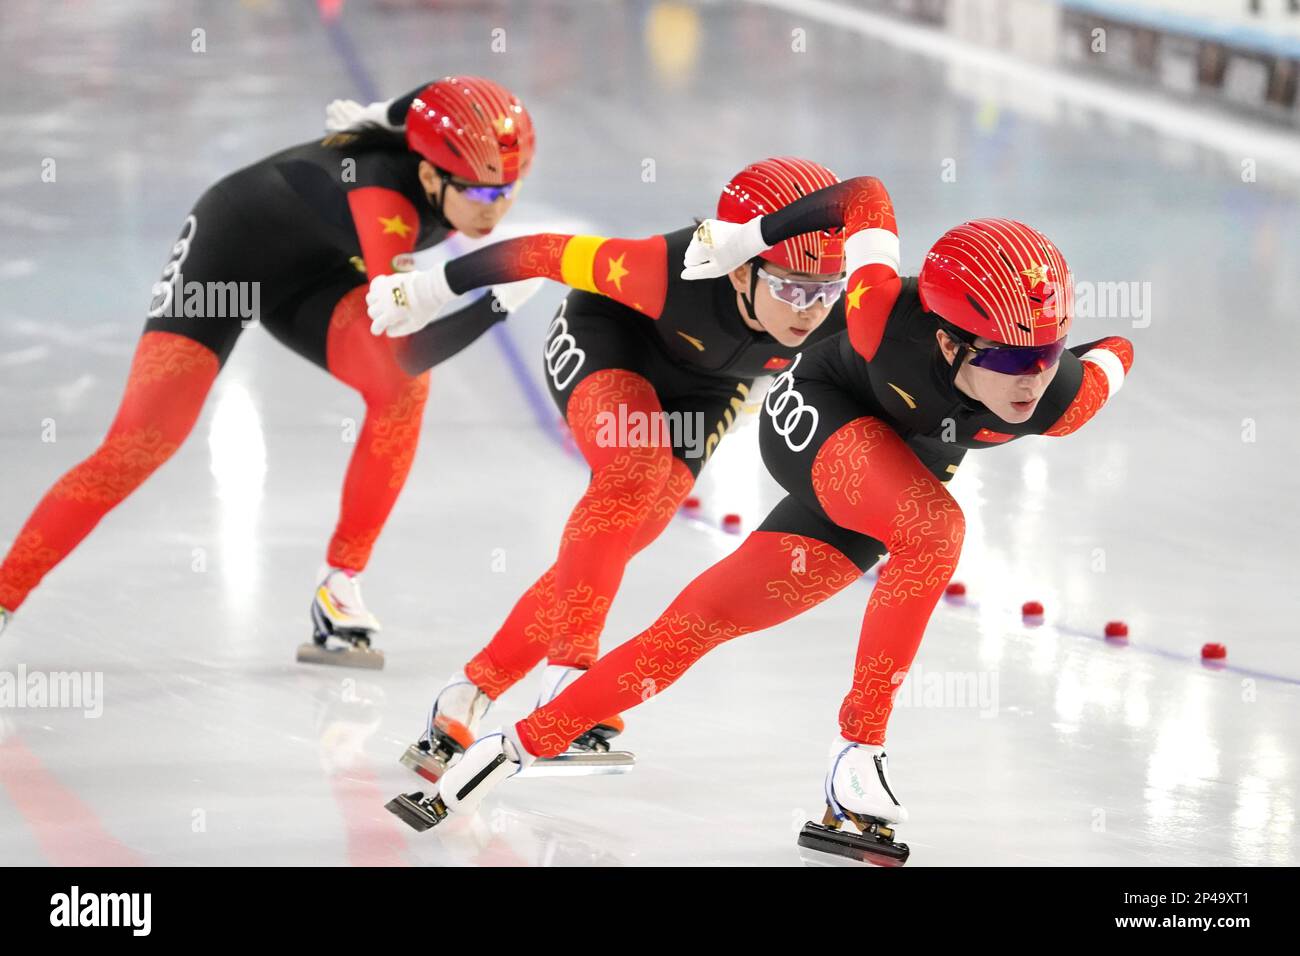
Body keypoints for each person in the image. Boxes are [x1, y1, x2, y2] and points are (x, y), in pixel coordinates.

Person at [382, 175, 1136, 865]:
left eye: (1046, 355)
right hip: (795, 411)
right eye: (1008, 361)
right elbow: (866, 195)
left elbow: (1113, 352)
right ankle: (856, 752)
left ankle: (515, 738)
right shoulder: (872, 318)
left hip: (848, 465)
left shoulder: (1062, 396)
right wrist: (429, 289)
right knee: (921, 527)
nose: (1031, 380)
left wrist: (1101, 358)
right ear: (946, 339)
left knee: (703, 620)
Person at [0, 77, 541, 668]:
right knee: (140, 445)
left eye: (509, 191)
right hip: (227, 258)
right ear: (431, 174)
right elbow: (410, 346)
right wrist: (494, 305)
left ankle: (339, 589)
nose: (496, 207)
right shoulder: (384, 199)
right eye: (481, 195)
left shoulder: (440, 166)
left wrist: (381, 111)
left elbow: (430, 93)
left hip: (317, 271)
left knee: (401, 392)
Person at [364, 157, 849, 774]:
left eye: (826, 290)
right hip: (609, 341)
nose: (810, 309)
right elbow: (542, 250)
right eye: (790, 287)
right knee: (633, 470)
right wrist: (430, 288)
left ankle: (470, 690)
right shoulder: (664, 270)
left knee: (624, 536)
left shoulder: (844, 307)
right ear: (740, 270)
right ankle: (569, 672)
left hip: (708, 391)